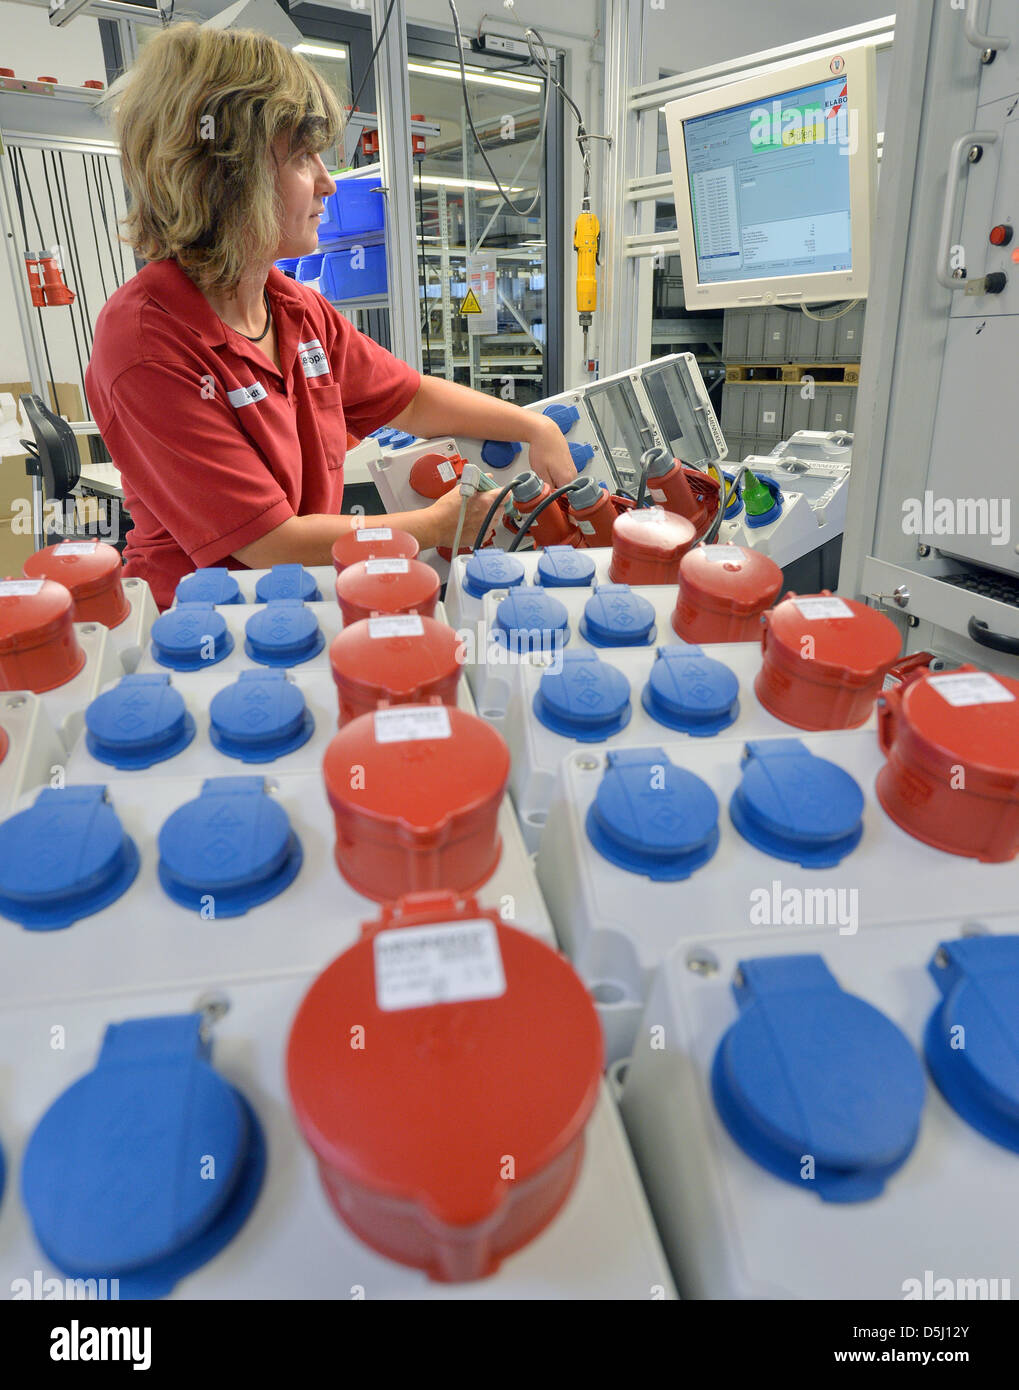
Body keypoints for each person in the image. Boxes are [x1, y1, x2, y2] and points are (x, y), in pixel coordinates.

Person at [85, 23, 575, 610]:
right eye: (301, 157)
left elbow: (412, 399)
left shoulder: (294, 309)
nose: (327, 183)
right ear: (221, 173)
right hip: (207, 620)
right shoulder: (146, 342)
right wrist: (437, 526)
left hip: (304, 588)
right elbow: (266, 542)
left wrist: (531, 426)